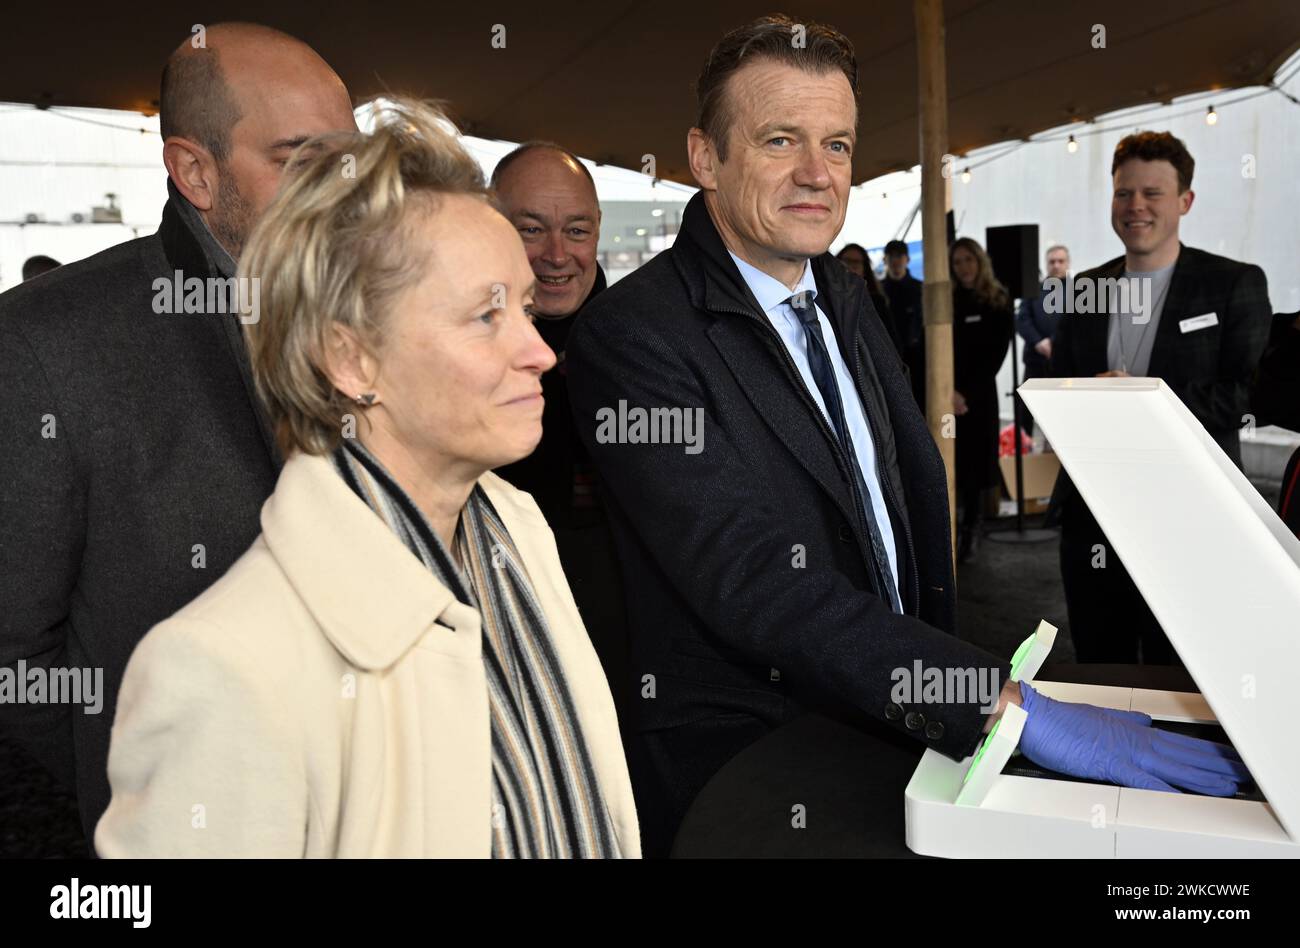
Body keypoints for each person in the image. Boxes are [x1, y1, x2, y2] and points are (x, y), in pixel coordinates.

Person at [565, 15, 1247, 857]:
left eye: (838, 146)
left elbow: (896, 510)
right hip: (759, 770)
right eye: (780, 141)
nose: (818, 174)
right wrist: (991, 702)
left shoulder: (842, 296)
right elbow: (751, 577)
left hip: (903, 728)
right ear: (706, 158)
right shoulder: (634, 336)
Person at [94, 98, 640, 859]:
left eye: (524, 309)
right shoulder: (225, 665)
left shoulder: (518, 532)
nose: (540, 352)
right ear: (349, 359)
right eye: (486, 317)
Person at [0, 22, 357, 849]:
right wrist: (143, 790)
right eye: (301, 162)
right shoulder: (47, 342)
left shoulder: (384, 314)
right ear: (195, 171)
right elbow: (15, 657)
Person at [1051, 130, 1272, 664]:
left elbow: (1249, 393)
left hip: (1192, 519)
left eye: (1152, 193)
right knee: (1101, 669)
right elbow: (1058, 387)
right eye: (1124, 193)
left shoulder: (1231, 283)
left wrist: (1144, 399)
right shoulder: (1083, 290)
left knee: (1186, 676)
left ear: (1184, 201)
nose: (1136, 206)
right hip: (1096, 521)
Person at [489, 144, 629, 713]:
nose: (555, 255)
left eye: (576, 230)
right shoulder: (450, 348)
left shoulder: (648, 344)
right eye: (530, 229)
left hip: (626, 629)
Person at [950, 237, 1013, 563]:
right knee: (952, 461)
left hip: (978, 396)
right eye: (957, 261)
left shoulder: (997, 300)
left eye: (968, 260)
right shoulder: (947, 300)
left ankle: (971, 529)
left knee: (975, 463)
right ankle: (950, 527)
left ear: (980, 261)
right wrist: (948, 391)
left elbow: (995, 356)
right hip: (947, 395)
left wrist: (965, 394)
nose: (963, 267)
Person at [1014, 244, 1070, 435]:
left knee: (1062, 409)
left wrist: (1054, 342)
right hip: (1035, 359)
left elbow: (1074, 322)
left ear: (1068, 263)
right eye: (1052, 261)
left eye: (1060, 261)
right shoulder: (1034, 289)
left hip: (1063, 362)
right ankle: (1025, 444)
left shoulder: (1077, 291)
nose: (1056, 265)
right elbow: (1022, 318)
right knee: (1026, 408)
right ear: (1046, 264)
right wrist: (1038, 342)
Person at [880, 238, 926, 410]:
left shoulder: (920, 289)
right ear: (885, 260)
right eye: (891, 256)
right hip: (887, 360)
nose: (895, 261)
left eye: (899, 256)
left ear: (907, 259)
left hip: (917, 360)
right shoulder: (877, 290)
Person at [836, 242, 901, 353]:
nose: (850, 267)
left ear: (864, 270)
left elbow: (892, 343)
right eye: (846, 261)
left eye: (856, 263)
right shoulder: (823, 298)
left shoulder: (876, 302)